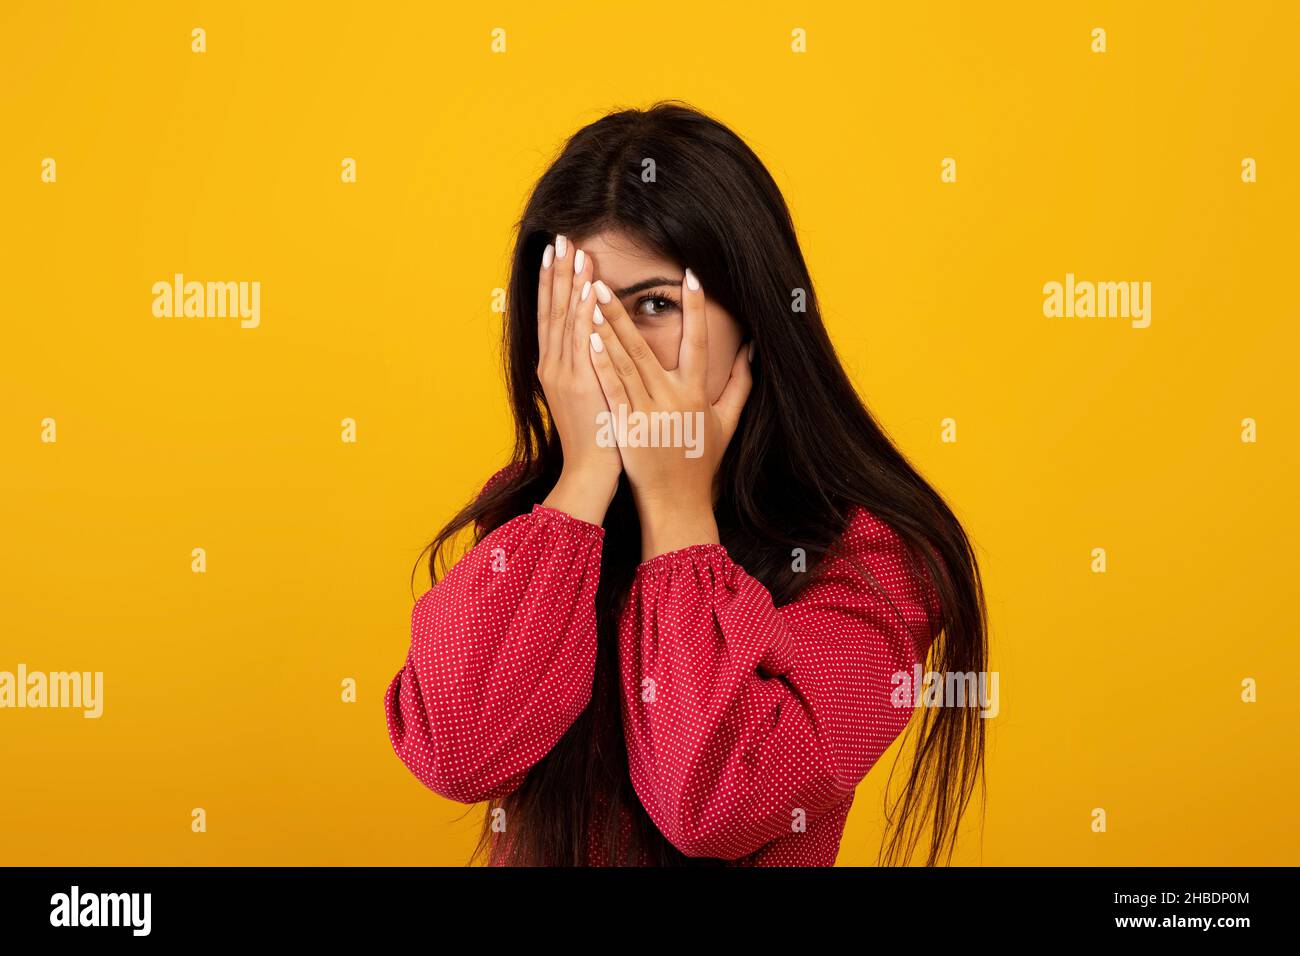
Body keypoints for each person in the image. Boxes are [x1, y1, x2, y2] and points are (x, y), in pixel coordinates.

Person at [384, 101, 988, 866]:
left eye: (656, 305)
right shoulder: (538, 523)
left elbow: (715, 805)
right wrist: (582, 482)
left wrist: (676, 510)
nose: (613, 348)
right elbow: (460, 752)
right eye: (582, 311)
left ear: (754, 316)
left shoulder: (874, 560)